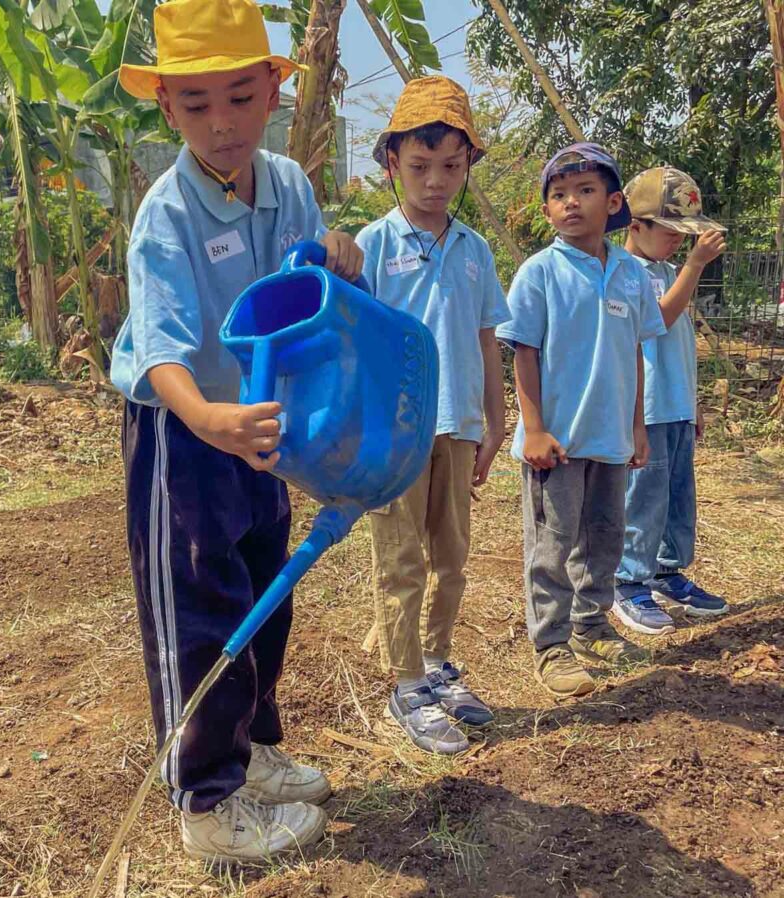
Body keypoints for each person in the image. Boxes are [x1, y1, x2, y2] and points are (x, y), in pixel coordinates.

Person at [112, 0, 363, 862]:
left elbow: (303, 285)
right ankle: (209, 804)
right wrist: (208, 418)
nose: (221, 124)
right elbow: (162, 348)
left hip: (259, 422)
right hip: (186, 431)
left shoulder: (287, 184)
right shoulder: (166, 214)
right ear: (167, 109)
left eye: (239, 97)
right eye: (196, 104)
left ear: (273, 91)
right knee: (200, 607)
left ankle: (248, 752)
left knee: (265, 590)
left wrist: (336, 250)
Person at [355, 77, 509, 753]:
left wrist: (495, 418)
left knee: (452, 555)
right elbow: (355, 345)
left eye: (451, 166)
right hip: (397, 431)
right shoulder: (373, 247)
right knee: (401, 558)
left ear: (468, 165)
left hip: (460, 426)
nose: (436, 181)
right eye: (419, 166)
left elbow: (484, 338)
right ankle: (406, 681)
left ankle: (441, 663)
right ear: (392, 164)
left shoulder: (474, 251)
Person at [496, 143, 666, 699]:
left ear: (613, 202)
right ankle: (551, 643)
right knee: (553, 541)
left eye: (585, 191)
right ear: (546, 210)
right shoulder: (540, 273)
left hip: (611, 436)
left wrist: (637, 428)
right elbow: (523, 351)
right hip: (558, 442)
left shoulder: (630, 276)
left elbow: (636, 356)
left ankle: (593, 626)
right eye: (558, 195)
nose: (571, 203)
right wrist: (534, 427)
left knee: (605, 536)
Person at [612, 167, 729, 636]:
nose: (680, 242)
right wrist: (695, 266)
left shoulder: (663, 270)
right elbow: (656, 320)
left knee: (678, 496)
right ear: (634, 225)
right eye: (670, 231)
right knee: (643, 497)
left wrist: (694, 400)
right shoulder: (625, 273)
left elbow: (679, 340)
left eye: (687, 234)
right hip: (648, 406)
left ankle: (665, 570)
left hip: (675, 402)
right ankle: (627, 580)